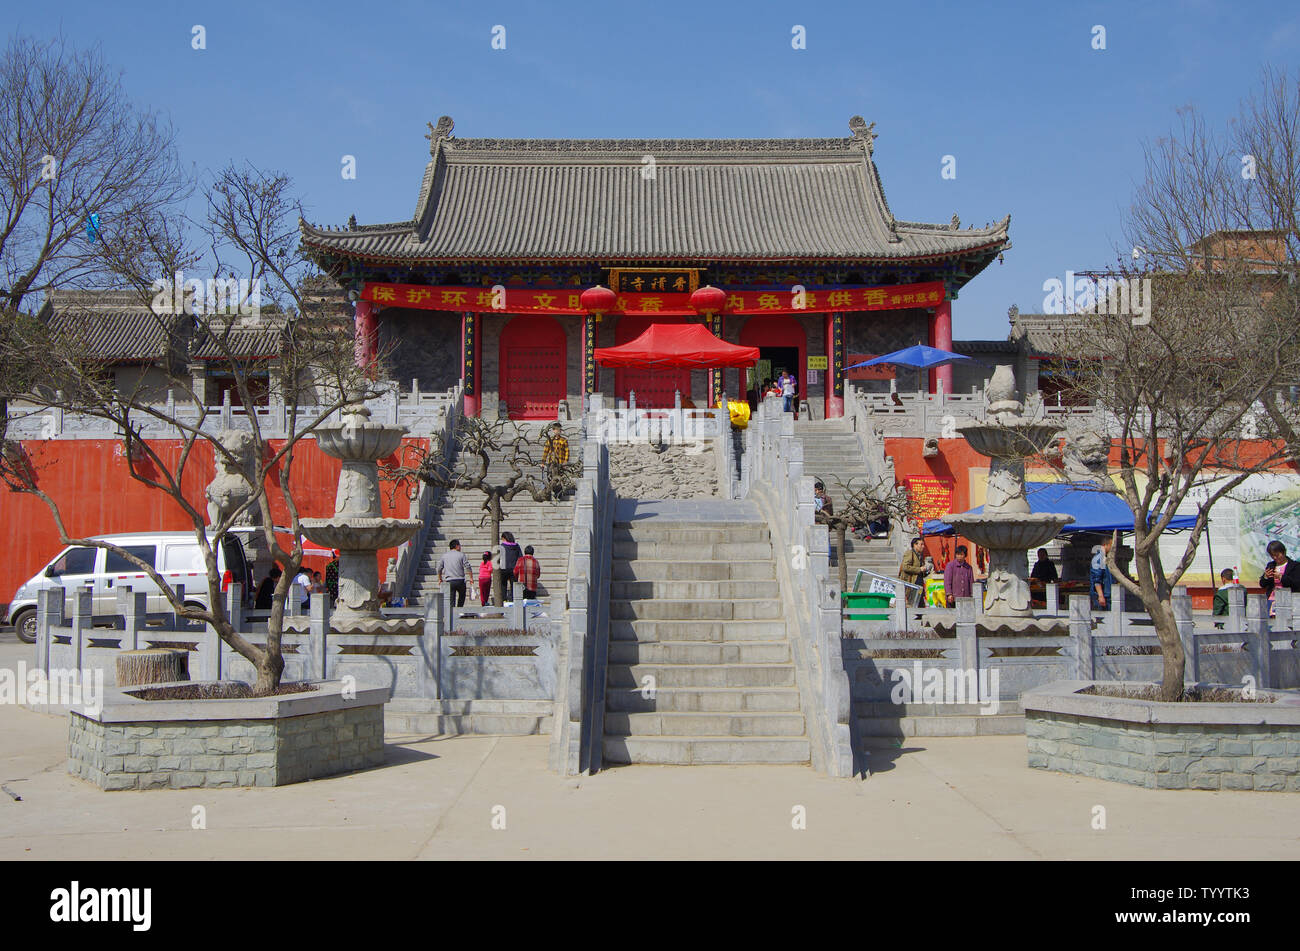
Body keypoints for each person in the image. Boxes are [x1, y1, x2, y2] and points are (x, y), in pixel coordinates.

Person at [437, 539, 471, 608]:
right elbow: (468, 567)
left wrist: (440, 578)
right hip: (460, 580)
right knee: (462, 596)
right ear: (457, 546)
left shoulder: (444, 556)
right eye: (459, 545)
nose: (460, 547)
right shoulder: (461, 555)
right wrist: (471, 578)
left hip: (450, 580)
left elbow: (439, 568)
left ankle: (452, 614)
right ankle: (459, 610)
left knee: (451, 599)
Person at [900, 537, 928, 607]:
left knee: (920, 603)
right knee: (914, 603)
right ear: (915, 545)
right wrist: (919, 569)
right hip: (912, 582)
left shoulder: (919, 555)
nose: (923, 546)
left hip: (918, 582)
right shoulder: (910, 553)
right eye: (921, 544)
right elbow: (905, 567)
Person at [497, 531, 522, 602]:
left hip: (504, 568)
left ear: (504, 538)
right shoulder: (517, 546)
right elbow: (520, 557)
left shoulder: (502, 546)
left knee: (503, 585)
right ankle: (513, 600)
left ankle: (504, 600)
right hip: (514, 569)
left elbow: (498, 558)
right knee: (514, 586)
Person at [1090, 537, 1114, 611]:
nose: (1112, 548)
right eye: (1111, 545)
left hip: (1107, 595)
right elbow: (1097, 579)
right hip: (1103, 596)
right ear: (1105, 545)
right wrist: (1100, 596)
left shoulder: (1104, 558)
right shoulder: (1099, 559)